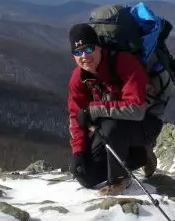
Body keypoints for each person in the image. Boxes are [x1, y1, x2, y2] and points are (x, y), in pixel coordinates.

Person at [67, 23, 163, 196]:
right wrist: (78, 151)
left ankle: (119, 181)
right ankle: (141, 156)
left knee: (110, 127)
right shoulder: (79, 77)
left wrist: (94, 110)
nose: (84, 56)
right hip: (112, 127)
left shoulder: (123, 62)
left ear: (98, 47)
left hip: (145, 124)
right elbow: (76, 116)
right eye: (78, 52)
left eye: (88, 48)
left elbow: (136, 109)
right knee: (85, 175)